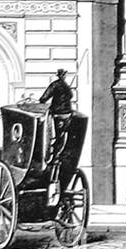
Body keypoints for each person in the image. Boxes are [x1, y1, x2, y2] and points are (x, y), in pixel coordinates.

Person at [39, 68, 74, 201]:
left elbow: (45, 96)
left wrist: (41, 101)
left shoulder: (55, 85)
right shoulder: (65, 86)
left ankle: (53, 153)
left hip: (58, 113)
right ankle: (58, 151)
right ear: (63, 76)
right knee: (62, 134)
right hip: (68, 114)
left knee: (52, 131)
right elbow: (71, 96)